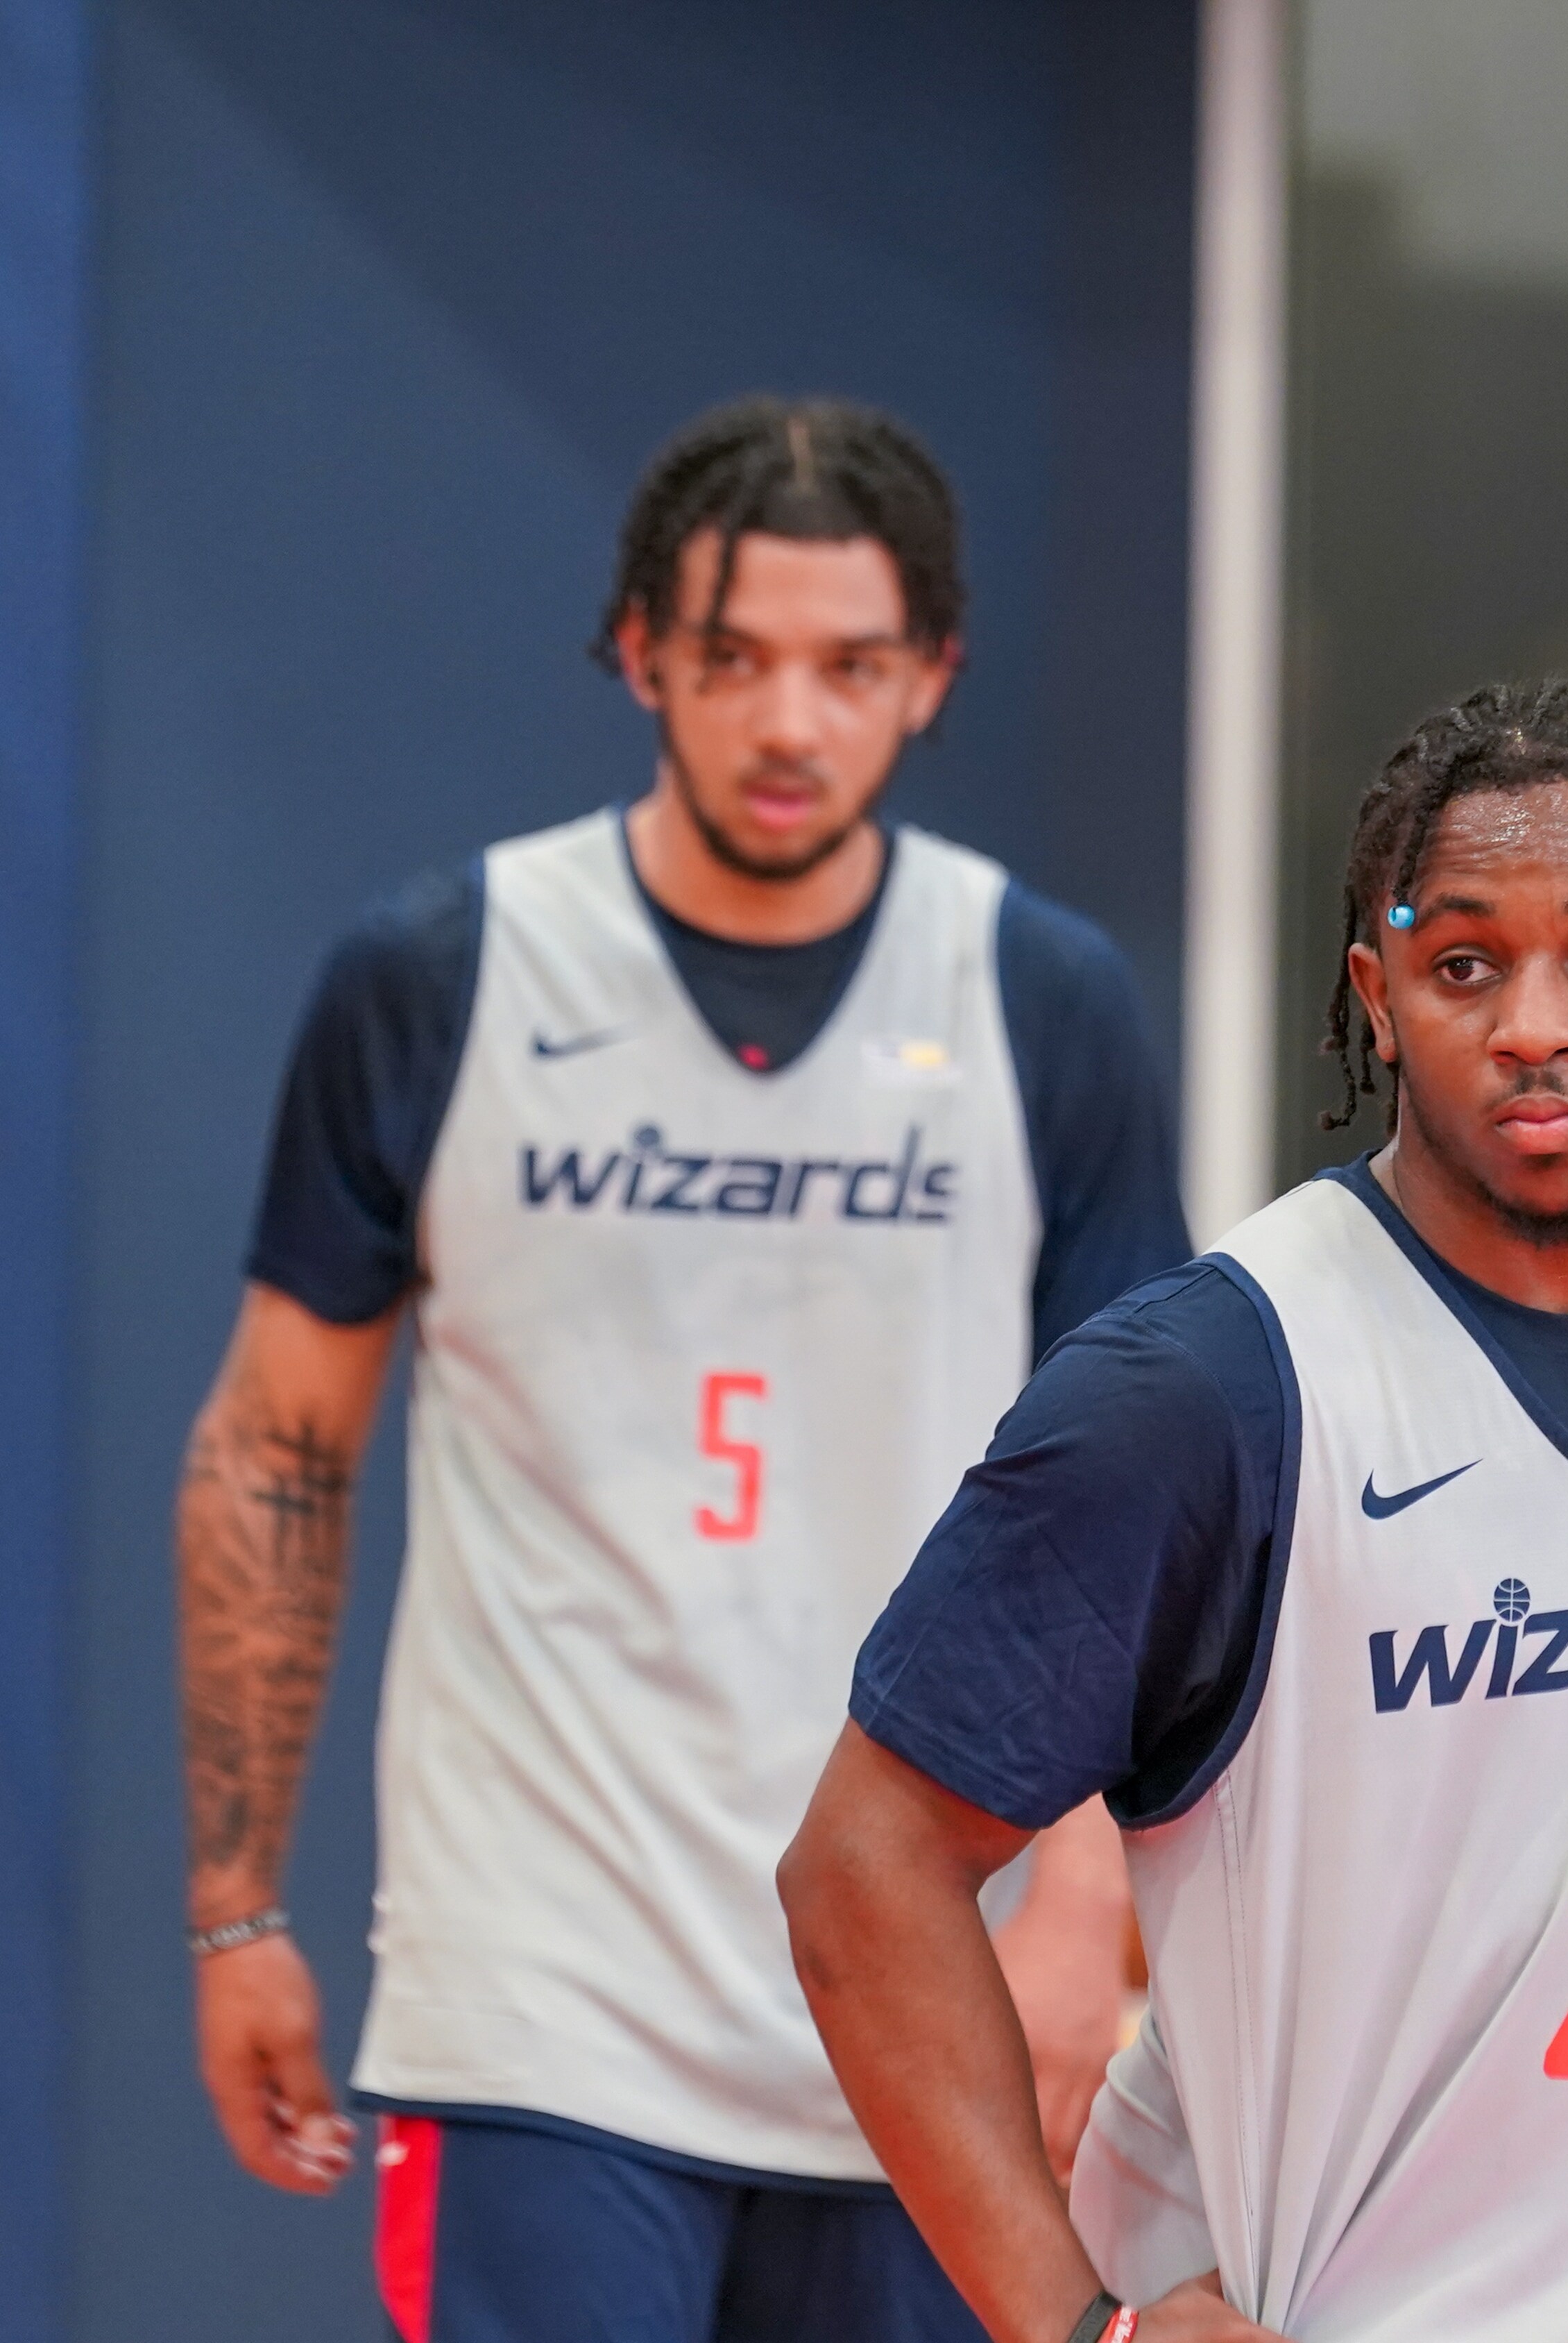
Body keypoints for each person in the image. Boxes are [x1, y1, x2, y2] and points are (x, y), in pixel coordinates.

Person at [778, 679, 1568, 2343]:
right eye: (1462, 964)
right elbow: (860, 1869)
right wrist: (1075, 2326)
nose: (1533, 1021)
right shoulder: (1209, 1381)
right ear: (1375, 997)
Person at [177, 395, 1189, 2342]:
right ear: (641, 654)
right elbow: (274, 1449)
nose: (790, 723)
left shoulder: (1039, 998)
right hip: (538, 1992)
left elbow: (1125, 1521)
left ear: (934, 680)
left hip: (922, 1989)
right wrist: (236, 1908)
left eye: (851, 668)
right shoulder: (443, 972)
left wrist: (1086, 1914)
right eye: (733, 661)